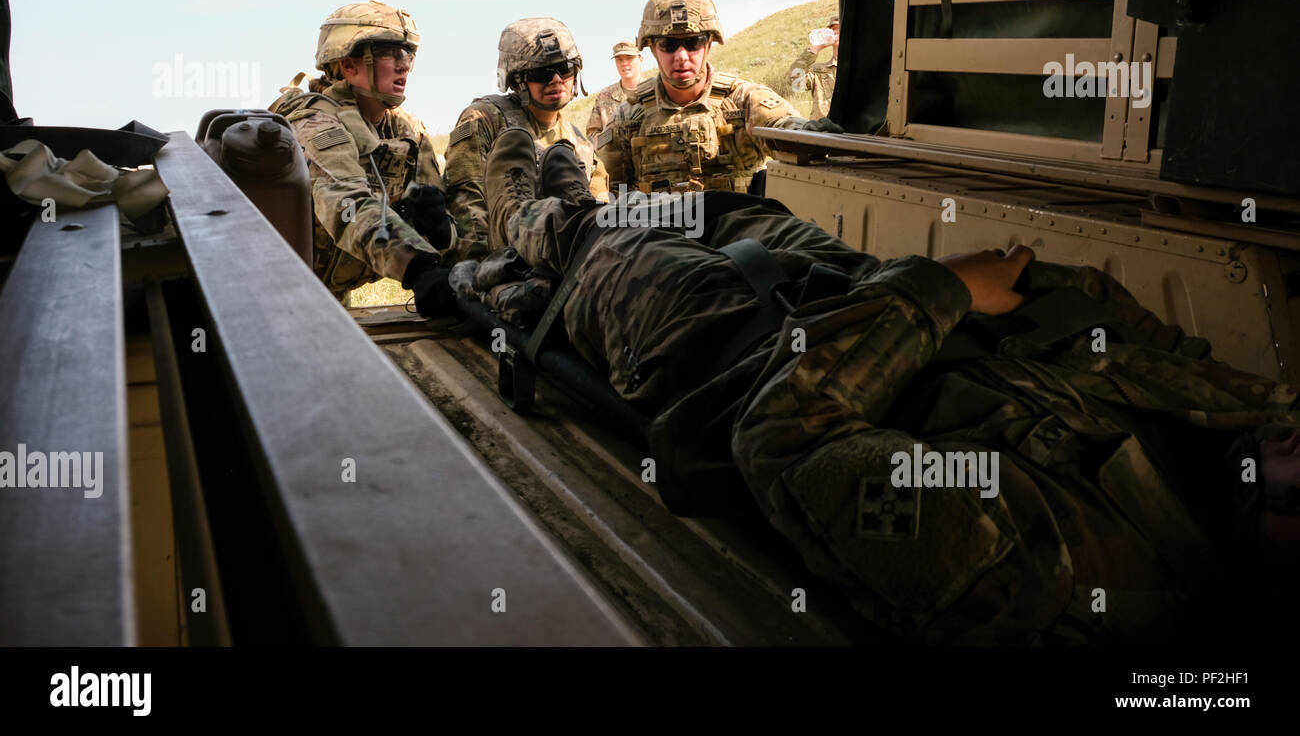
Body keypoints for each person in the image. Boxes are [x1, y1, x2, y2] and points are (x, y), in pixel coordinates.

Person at [447, 126, 1300, 645]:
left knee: (605, 243)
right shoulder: (1253, 430)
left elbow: (785, 438)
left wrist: (948, 292)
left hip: (729, 348)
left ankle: (519, 210)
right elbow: (1140, 336)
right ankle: (549, 218)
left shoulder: (1046, 575)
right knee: (702, 209)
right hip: (852, 281)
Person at [269, 0, 455, 313]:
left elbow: (446, 225)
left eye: (408, 54)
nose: (403, 65)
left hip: (334, 296)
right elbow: (348, 204)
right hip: (279, 297)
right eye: (389, 53)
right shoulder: (315, 123)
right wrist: (418, 268)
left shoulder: (408, 130)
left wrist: (440, 229)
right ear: (348, 65)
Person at [597, 0, 843, 197]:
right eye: (669, 45)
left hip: (735, 237)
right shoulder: (630, 117)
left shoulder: (742, 100)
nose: (682, 56)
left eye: (693, 42)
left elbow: (781, 126)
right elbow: (604, 190)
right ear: (651, 48)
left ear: (709, 43)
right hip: (660, 242)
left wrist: (805, 134)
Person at [443, 18, 608, 264]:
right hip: (500, 263)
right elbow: (467, 203)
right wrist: (481, 272)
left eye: (565, 69)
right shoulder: (485, 120)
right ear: (517, 80)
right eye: (541, 74)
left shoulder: (580, 144)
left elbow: (600, 215)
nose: (556, 80)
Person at [584, 41, 643, 142]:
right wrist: (610, 144)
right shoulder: (604, 96)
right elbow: (592, 133)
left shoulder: (654, 91)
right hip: (615, 156)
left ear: (640, 59)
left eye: (629, 58)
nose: (624, 63)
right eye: (619, 60)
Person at [788, 13, 839, 119]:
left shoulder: (863, 68)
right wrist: (814, 50)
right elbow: (795, 83)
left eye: (840, 28)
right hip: (823, 132)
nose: (835, 32)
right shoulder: (818, 71)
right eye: (833, 29)